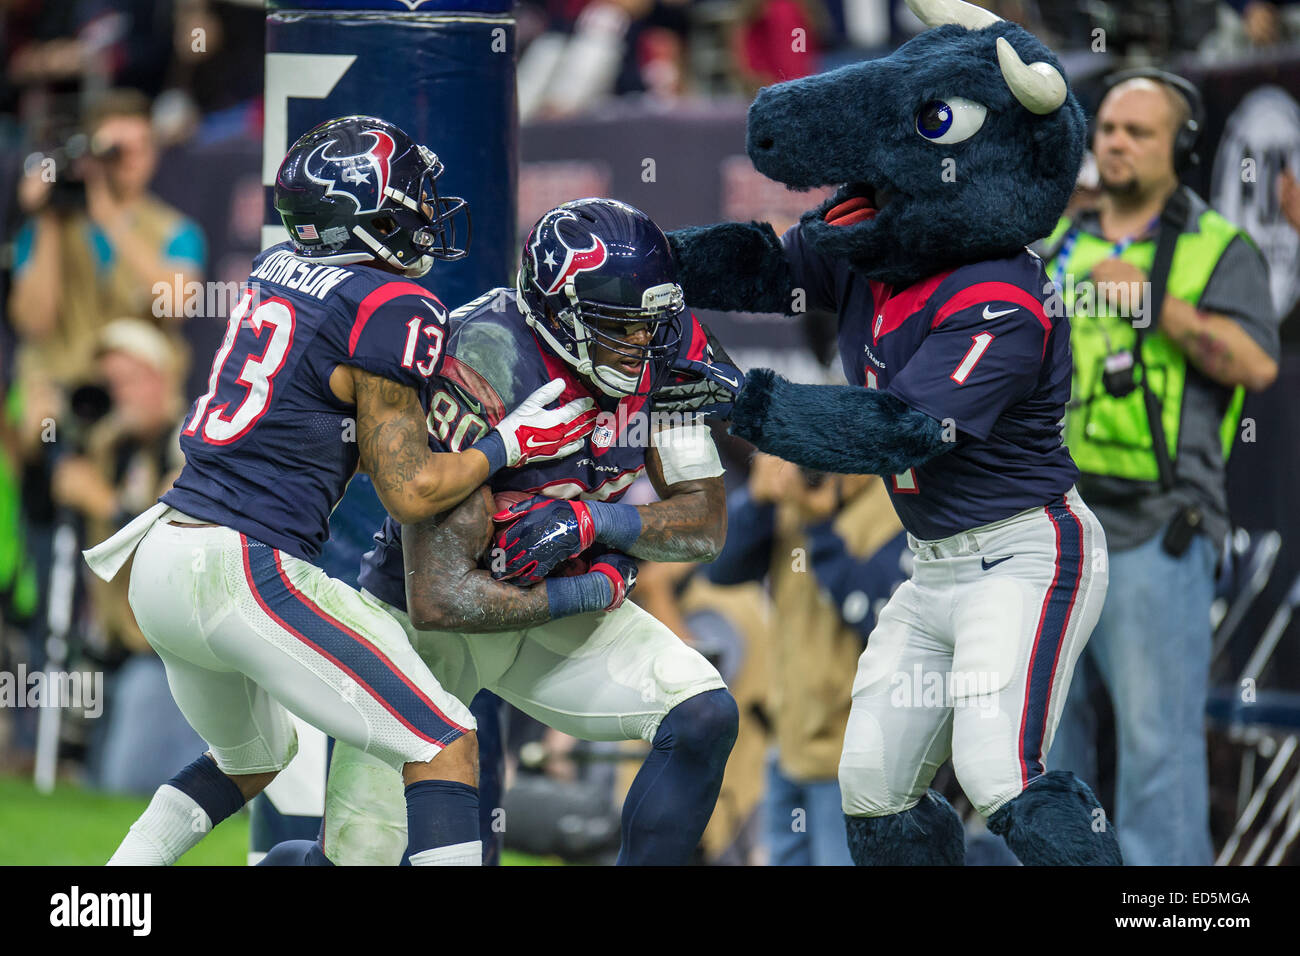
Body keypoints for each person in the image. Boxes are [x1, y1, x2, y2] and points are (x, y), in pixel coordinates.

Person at [666, 0, 1118, 865]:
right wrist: (647, 255)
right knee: (873, 791)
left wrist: (733, 397)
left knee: (1003, 773)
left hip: (1023, 552)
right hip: (936, 564)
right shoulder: (888, 250)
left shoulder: (1003, 293)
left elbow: (901, 428)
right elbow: (766, 264)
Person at [81, 115, 598, 866]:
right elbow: (413, 492)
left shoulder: (277, 267)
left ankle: (102, 902)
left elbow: (315, 419)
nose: (425, 212)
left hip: (162, 551)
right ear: (365, 213)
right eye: (411, 197)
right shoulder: (392, 307)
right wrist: (508, 443)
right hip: (242, 566)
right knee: (446, 740)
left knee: (250, 757)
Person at [269, 198, 745, 866]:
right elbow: (442, 597)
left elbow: (703, 525)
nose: (642, 344)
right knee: (358, 860)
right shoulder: (479, 358)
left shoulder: (664, 351)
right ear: (558, 313)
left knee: (703, 716)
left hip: (544, 603)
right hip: (427, 624)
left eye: (651, 324)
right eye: (620, 326)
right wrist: (594, 587)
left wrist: (594, 520)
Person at [1039, 71, 1279, 866]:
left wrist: (1157, 304)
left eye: (1137, 131)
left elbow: (1258, 363)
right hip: (1060, 528)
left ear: (1180, 147)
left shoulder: (1216, 245)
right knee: (1047, 756)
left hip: (1160, 530)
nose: (1114, 141)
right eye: (1106, 127)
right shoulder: (1061, 241)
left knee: (1156, 760)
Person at [707, 455, 908, 865]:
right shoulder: (798, 503)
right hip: (789, 742)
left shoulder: (899, 512)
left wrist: (820, 528)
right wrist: (757, 502)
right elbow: (722, 571)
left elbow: (875, 616)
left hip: (857, 755)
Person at [9, 89, 204, 397]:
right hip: (60, 397)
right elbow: (35, 324)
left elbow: (177, 305)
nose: (128, 160)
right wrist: (48, 215)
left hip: (139, 401)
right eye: (114, 150)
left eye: (140, 147)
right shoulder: (46, 228)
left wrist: (110, 218)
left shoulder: (176, 232)